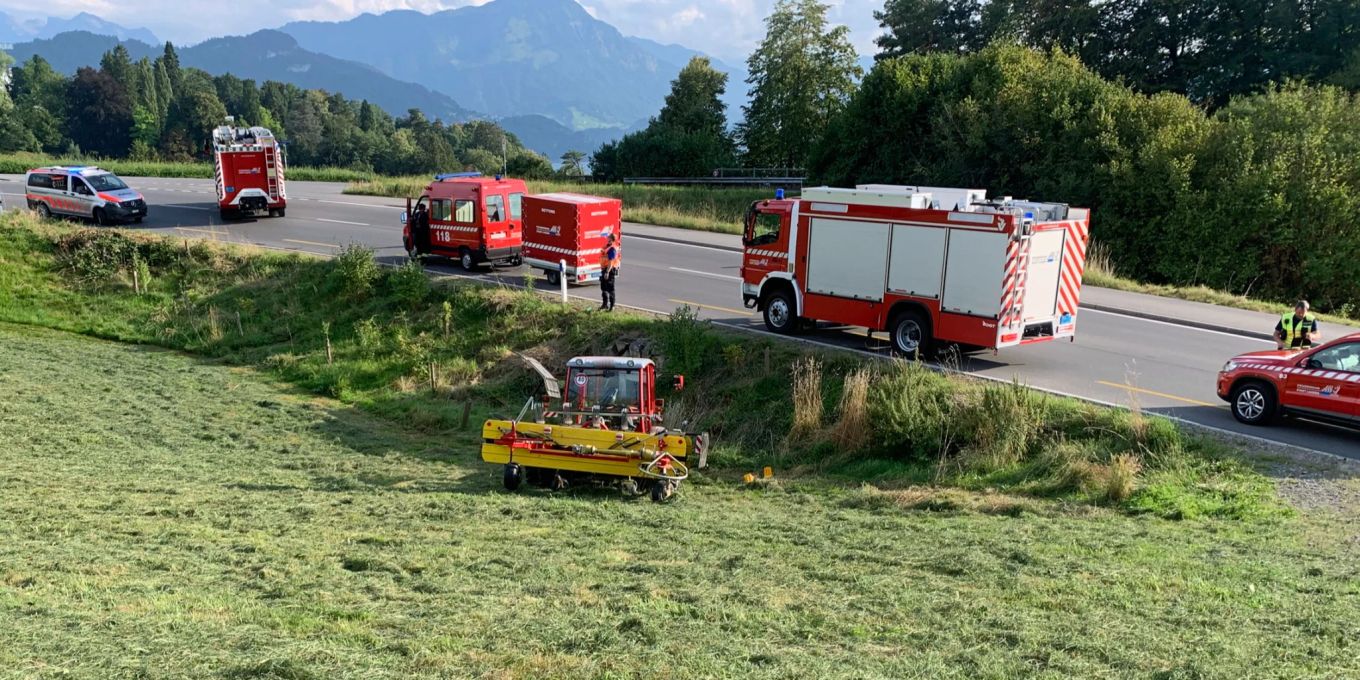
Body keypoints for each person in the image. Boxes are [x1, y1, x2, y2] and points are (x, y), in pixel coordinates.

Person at [600, 233, 620, 311]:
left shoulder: (612, 249)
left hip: (609, 270)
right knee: (603, 287)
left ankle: (612, 306)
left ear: (611, 239)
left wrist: (607, 272)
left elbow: (611, 261)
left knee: (610, 288)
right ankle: (605, 304)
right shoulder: (607, 246)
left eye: (608, 237)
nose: (606, 238)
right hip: (604, 269)